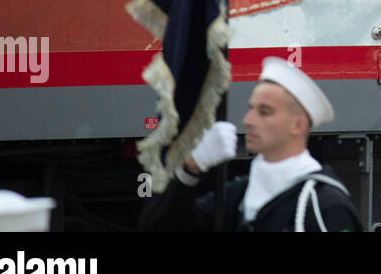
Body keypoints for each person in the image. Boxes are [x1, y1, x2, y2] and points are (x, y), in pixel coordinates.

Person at [140, 57, 363, 231]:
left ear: (298, 124)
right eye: (250, 109)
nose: (248, 120)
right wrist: (189, 169)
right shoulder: (238, 197)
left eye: (264, 112)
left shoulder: (325, 205)